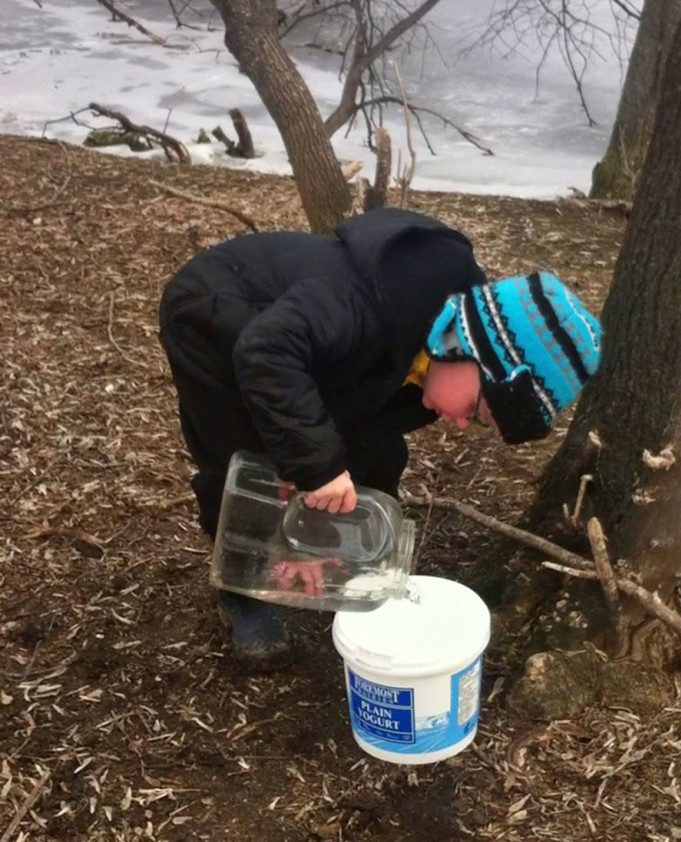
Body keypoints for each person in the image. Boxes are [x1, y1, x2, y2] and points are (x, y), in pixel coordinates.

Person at [159, 207, 601, 666]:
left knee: (370, 452)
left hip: (309, 355)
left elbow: (368, 435)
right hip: (215, 318)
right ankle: (243, 587)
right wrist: (319, 469)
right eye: (475, 410)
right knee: (249, 456)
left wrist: (340, 531)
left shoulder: (432, 359)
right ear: (471, 353)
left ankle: (320, 554)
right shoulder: (368, 304)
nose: (464, 424)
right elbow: (266, 352)